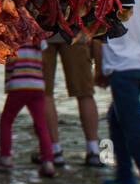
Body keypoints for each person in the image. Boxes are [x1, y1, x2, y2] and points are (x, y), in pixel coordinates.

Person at [97, 0, 140, 184]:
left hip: (122, 67)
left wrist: (99, 69)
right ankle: (124, 177)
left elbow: (99, 34)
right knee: (116, 119)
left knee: (133, 127)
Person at [0, 42, 55, 176]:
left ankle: (5, 156)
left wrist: (8, 81)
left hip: (18, 84)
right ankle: (48, 161)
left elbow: (9, 60)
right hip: (37, 85)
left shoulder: (12, 36)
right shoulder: (37, 35)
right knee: (41, 125)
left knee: (6, 120)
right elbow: (44, 59)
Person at [41, 36, 101, 167]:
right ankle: (93, 150)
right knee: (85, 93)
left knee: (44, 93)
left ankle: (54, 150)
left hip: (42, 32)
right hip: (75, 32)